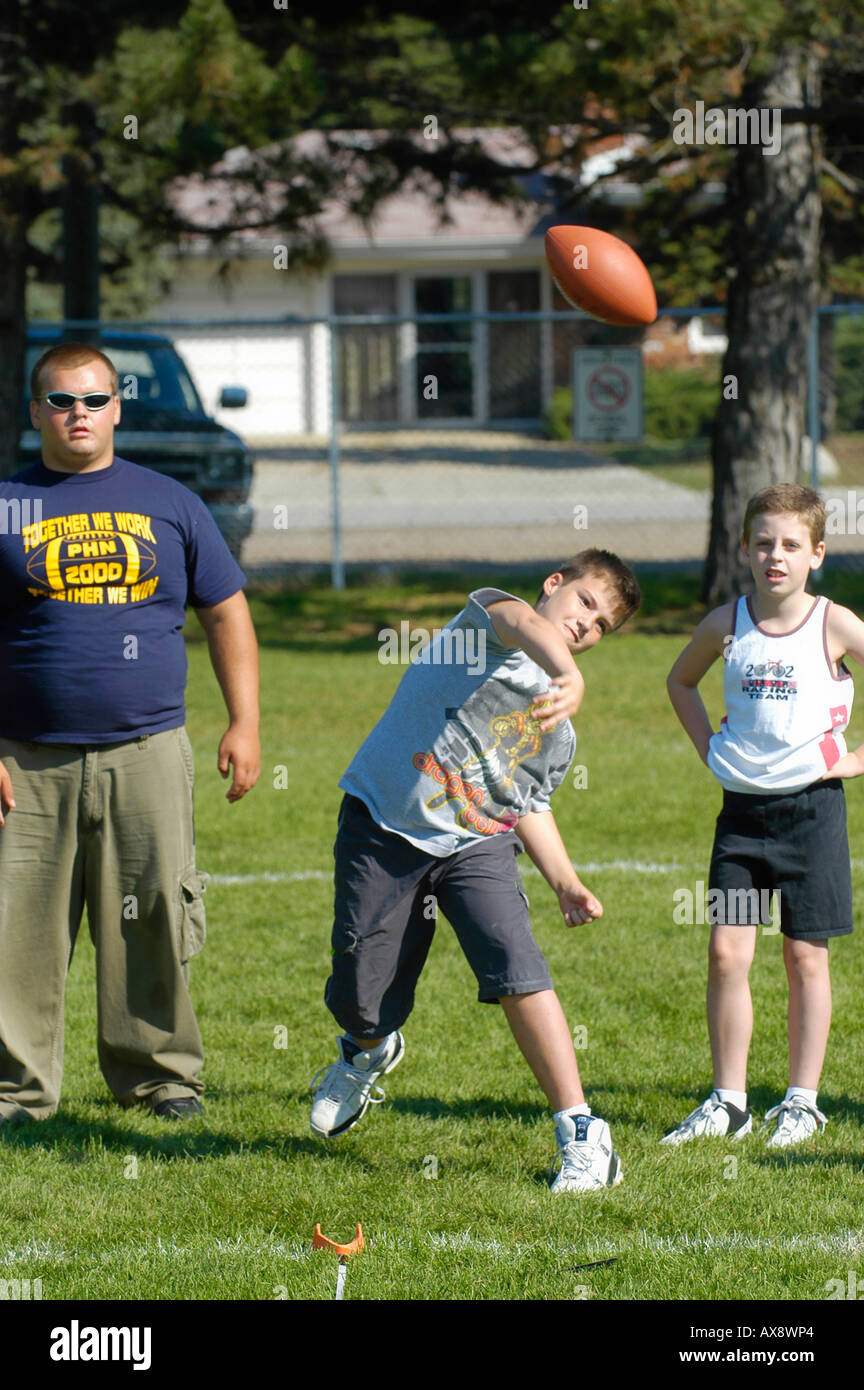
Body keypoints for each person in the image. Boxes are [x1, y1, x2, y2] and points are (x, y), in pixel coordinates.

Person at [309, 550, 641, 1191]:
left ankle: (581, 1131)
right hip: (382, 827)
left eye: (602, 626)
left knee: (516, 966)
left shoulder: (557, 724)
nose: (586, 626)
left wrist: (566, 882)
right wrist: (567, 670)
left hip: (473, 844)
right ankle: (367, 1049)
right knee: (359, 992)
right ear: (554, 585)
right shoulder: (488, 619)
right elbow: (526, 625)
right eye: (583, 604)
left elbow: (525, 803)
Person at [0, 342, 261, 1126]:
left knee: (153, 915)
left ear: (118, 407)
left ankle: (159, 1076)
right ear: (34, 410)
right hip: (26, 757)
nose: (77, 414)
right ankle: (16, 1090)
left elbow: (226, 613)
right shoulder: (8, 503)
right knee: (18, 931)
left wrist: (244, 720)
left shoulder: (171, 502)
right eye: (60, 401)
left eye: (93, 400)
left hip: (147, 749)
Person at [663, 484, 864, 1149]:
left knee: (805, 957)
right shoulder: (727, 622)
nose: (775, 556)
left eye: (790, 545)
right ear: (745, 549)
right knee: (726, 954)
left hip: (813, 813)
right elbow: (680, 681)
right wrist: (709, 749)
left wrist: (856, 760)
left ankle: (802, 1102)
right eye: (763, 543)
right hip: (742, 817)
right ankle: (729, 1100)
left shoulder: (834, 622)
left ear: (816, 555)